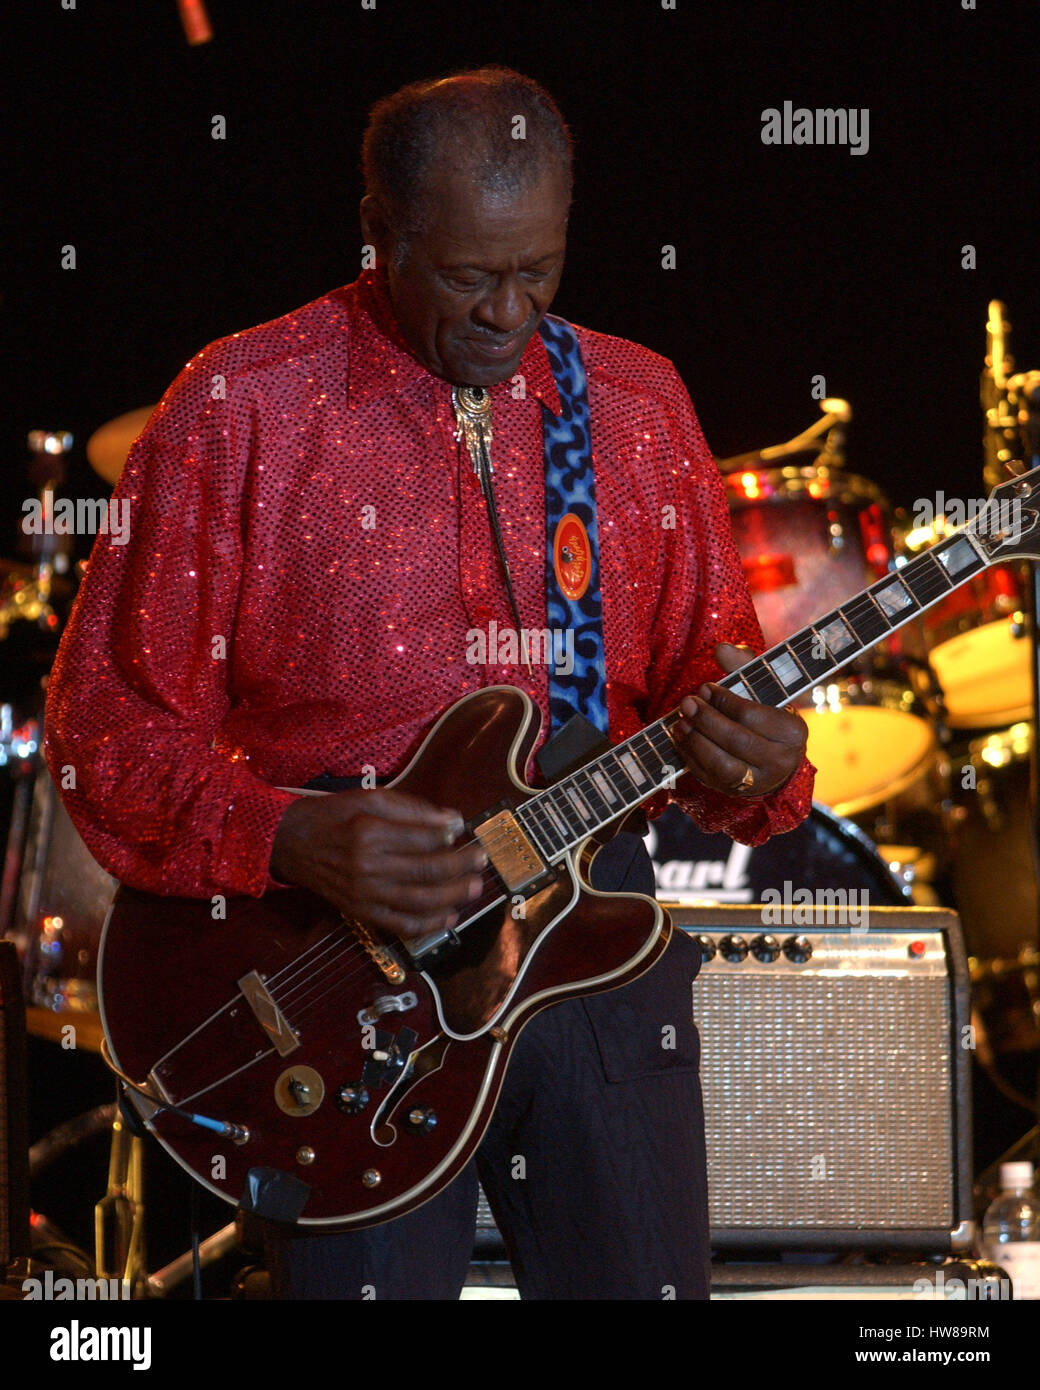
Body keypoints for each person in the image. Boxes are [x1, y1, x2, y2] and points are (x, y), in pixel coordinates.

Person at [44, 67, 814, 1300]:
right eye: (465, 276)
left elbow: (699, 686)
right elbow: (104, 729)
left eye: (538, 270)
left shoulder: (632, 404)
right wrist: (288, 835)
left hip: (591, 947)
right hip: (341, 971)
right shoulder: (241, 404)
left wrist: (756, 762)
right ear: (378, 231)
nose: (507, 313)